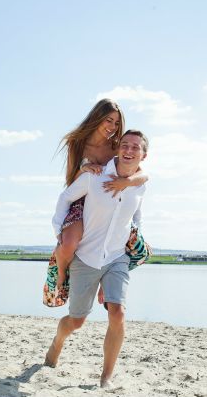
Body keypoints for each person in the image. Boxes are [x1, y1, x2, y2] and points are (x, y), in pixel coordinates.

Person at [44, 130, 149, 388]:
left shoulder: (140, 184)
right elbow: (66, 197)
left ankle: (106, 378)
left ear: (143, 155)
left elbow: (137, 216)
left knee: (118, 313)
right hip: (86, 257)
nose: (129, 150)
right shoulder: (96, 175)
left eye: (135, 147)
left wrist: (136, 233)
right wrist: (59, 231)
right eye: (125, 145)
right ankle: (57, 342)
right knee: (76, 321)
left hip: (117, 257)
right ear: (118, 149)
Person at [45, 99, 148, 304]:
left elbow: (143, 175)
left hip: (110, 198)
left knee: (131, 248)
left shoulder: (116, 146)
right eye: (108, 120)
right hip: (81, 200)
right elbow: (70, 182)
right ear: (97, 118)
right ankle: (63, 274)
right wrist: (83, 169)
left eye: (117, 123)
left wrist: (126, 182)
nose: (112, 127)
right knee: (68, 243)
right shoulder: (77, 143)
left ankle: (105, 281)